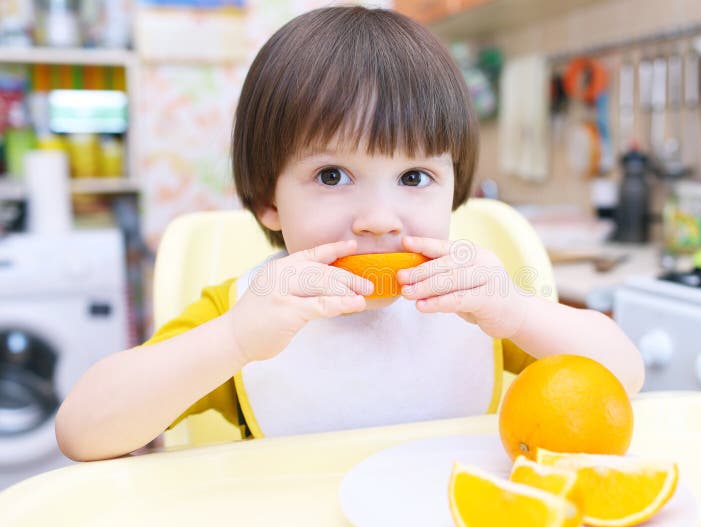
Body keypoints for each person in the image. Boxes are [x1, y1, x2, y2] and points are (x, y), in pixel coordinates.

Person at [55, 6, 643, 462]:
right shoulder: (245, 317)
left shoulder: (476, 310)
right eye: (332, 175)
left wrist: (516, 313)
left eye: (415, 176)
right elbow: (81, 431)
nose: (380, 217)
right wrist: (233, 340)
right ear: (268, 201)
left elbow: (627, 376)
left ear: (454, 187)